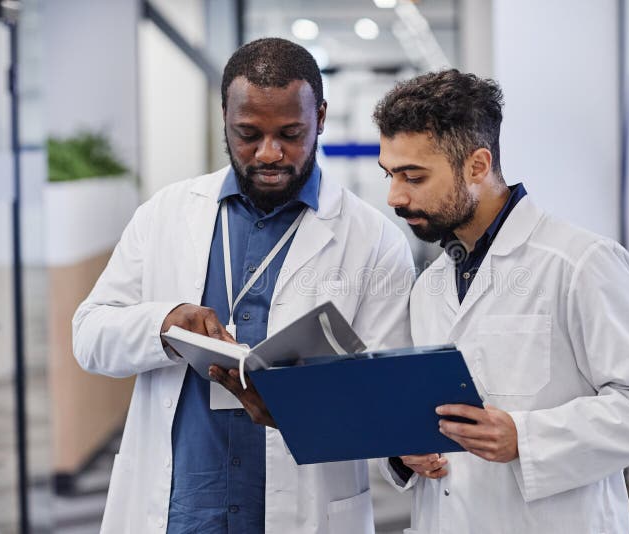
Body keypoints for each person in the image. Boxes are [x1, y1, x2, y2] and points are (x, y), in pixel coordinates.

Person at [72, 38, 414, 534]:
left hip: (302, 512)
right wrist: (163, 324)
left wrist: (311, 409)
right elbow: (89, 334)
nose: (270, 153)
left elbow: (388, 394)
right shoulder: (165, 214)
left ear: (320, 116)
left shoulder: (374, 239)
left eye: (291, 134)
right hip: (179, 509)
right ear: (224, 117)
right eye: (248, 134)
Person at [373, 69, 629, 533]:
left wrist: (526, 438)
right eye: (390, 174)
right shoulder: (430, 285)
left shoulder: (580, 262)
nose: (395, 196)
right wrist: (402, 455)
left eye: (413, 176)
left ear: (477, 166)